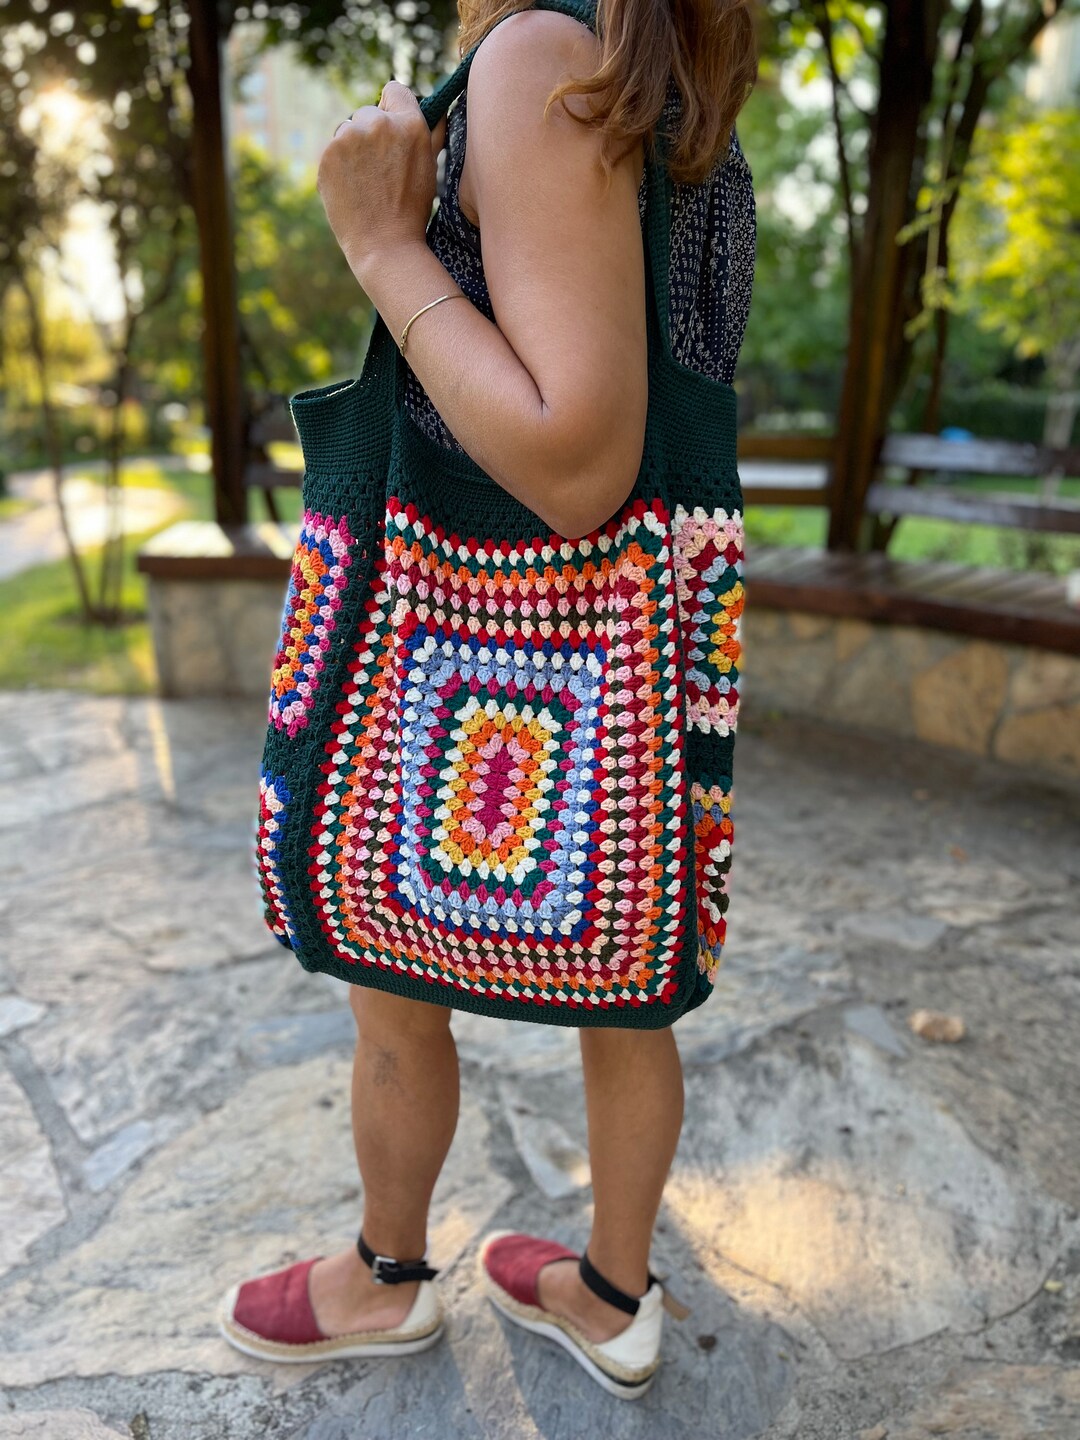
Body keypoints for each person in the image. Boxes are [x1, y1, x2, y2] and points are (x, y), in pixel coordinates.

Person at [220, 0, 757, 1400]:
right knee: (629, 983)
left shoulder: (534, 58)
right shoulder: (671, 73)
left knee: (392, 988)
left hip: (464, 636)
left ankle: (386, 1278)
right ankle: (612, 1295)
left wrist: (385, 248)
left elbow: (575, 460)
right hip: (636, 649)